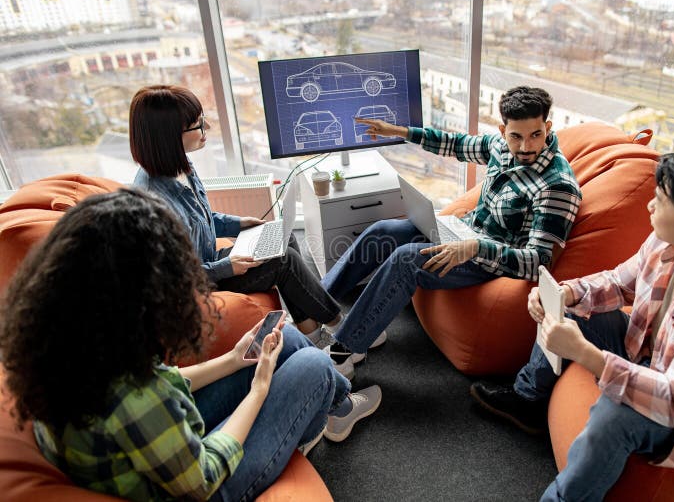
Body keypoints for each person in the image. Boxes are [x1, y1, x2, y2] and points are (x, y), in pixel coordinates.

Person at [0, 188, 381, 501]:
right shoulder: (135, 398)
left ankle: (340, 405)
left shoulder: (75, 339)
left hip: (153, 451)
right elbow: (202, 480)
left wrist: (233, 360)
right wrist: (259, 391)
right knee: (313, 365)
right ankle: (324, 411)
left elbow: (163, 382)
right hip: (204, 486)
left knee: (282, 338)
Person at [469, 150, 674, 501]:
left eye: (659, 200)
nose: (649, 207)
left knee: (615, 412)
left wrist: (584, 353)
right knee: (574, 309)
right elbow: (621, 282)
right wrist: (566, 294)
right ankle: (529, 400)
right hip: (656, 352)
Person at [322, 86, 582, 376]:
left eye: (535, 134)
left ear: (547, 127)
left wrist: (475, 248)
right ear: (502, 130)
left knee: (406, 259)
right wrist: (396, 130)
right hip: (463, 233)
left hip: (490, 260)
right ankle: (317, 307)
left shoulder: (557, 186)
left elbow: (539, 262)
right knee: (384, 231)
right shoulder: (500, 147)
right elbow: (455, 144)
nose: (525, 147)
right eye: (515, 136)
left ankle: (345, 350)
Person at [128, 85, 380, 355]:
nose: (207, 127)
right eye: (198, 124)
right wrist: (227, 267)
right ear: (169, 136)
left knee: (283, 236)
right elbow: (175, 277)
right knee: (284, 260)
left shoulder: (181, 166)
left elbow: (201, 218)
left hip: (210, 258)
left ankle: (313, 334)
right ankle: (344, 327)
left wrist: (240, 223)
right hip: (200, 281)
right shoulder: (154, 201)